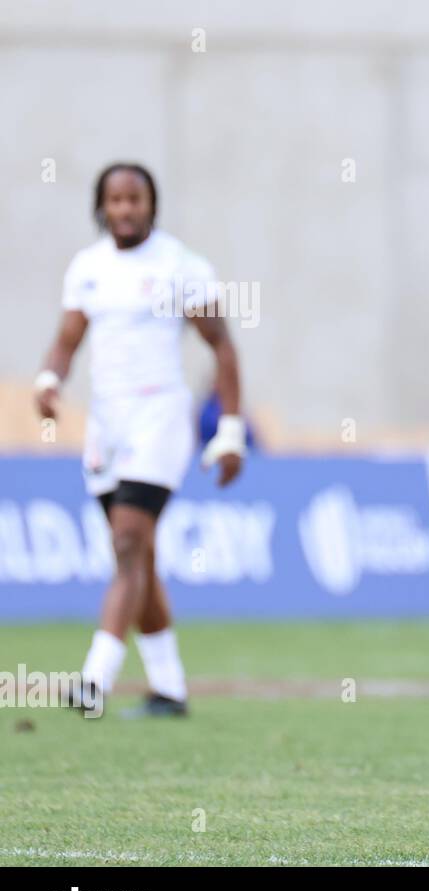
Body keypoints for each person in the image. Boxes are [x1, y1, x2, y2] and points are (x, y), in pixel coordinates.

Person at [35, 163, 249, 718]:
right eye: (116, 200)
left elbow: (221, 347)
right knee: (140, 555)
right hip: (108, 424)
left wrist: (229, 431)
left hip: (160, 416)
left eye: (135, 199)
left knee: (128, 542)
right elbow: (66, 340)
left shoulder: (180, 266)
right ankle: (169, 688)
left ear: (152, 205)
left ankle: (94, 681)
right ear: (101, 206)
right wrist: (49, 381)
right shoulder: (88, 268)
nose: (125, 209)